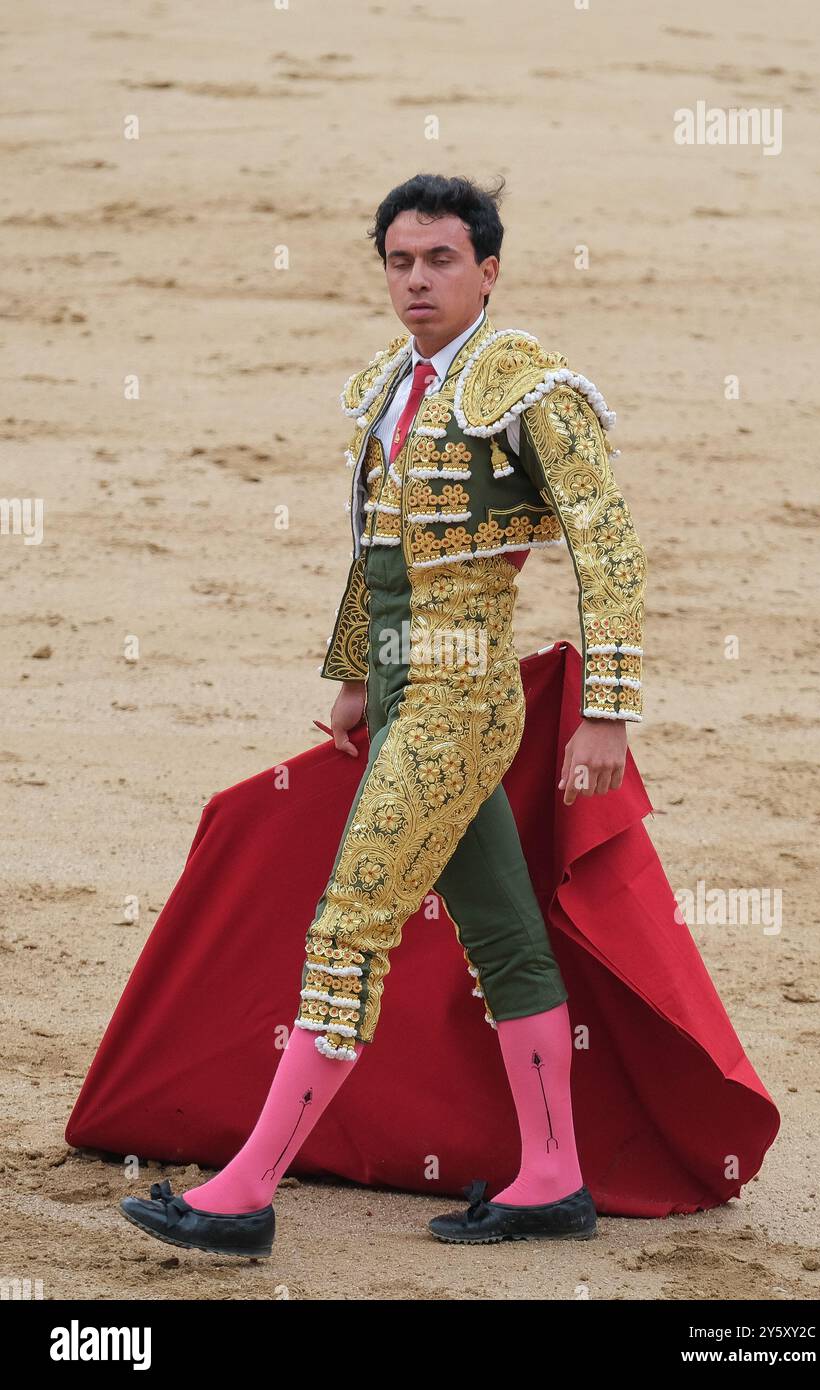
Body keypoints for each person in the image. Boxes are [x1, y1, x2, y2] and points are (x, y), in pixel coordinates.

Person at [119, 172, 647, 1255]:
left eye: (440, 259)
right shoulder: (385, 386)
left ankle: (245, 1191)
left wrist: (607, 710)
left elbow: (608, 545)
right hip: (408, 691)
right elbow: (376, 548)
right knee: (502, 934)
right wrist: (358, 675)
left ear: (487, 270)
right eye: (400, 261)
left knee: (348, 925)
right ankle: (552, 1174)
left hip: (458, 698)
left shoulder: (529, 386)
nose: (416, 280)